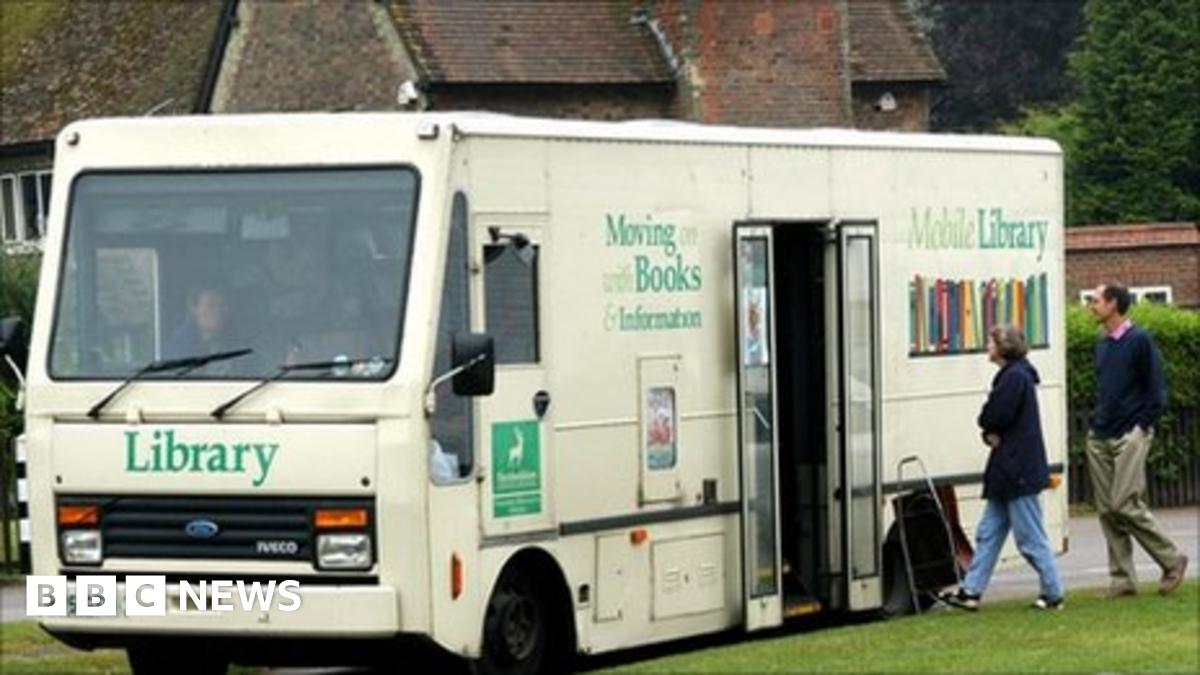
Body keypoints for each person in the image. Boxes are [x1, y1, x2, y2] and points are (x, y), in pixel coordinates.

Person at [941, 324, 1064, 611]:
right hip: (1009, 469)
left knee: (1030, 537)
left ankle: (1053, 591)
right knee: (988, 534)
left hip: (1016, 468)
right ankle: (971, 591)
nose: (987, 347)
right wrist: (990, 432)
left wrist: (988, 428)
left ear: (1003, 347)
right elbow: (995, 423)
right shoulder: (1017, 376)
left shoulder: (1013, 378)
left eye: (991, 342)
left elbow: (992, 416)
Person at [1085, 283, 1188, 598]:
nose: (1091, 305)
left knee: (1124, 503)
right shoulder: (1102, 344)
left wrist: (1143, 426)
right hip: (1100, 435)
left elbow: (1156, 389)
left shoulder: (1140, 340)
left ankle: (1171, 559)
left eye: (1096, 300)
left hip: (1132, 432)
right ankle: (1123, 581)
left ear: (1113, 304)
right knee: (1107, 509)